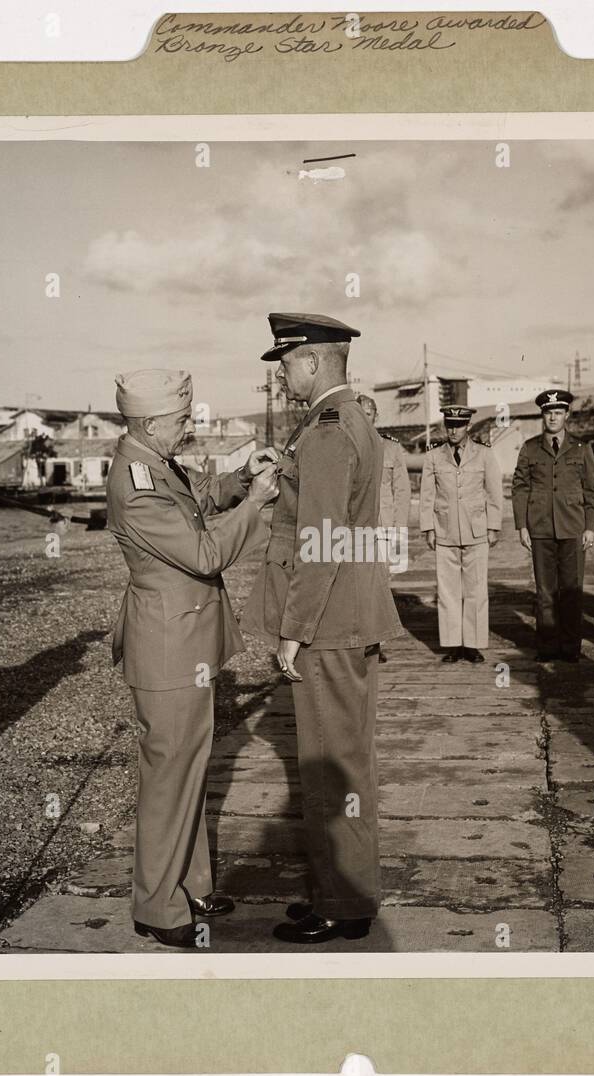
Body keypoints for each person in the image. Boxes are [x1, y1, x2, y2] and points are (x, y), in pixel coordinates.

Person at [106, 368, 280, 949]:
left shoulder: (154, 462)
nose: (188, 427)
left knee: (189, 766)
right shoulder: (135, 481)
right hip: (168, 650)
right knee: (169, 774)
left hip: (184, 643)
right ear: (153, 422)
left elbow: (198, 498)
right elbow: (205, 552)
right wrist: (257, 501)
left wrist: (238, 478)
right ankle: (156, 903)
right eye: (181, 420)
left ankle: (191, 884)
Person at [242, 313, 401, 945]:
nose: (281, 378)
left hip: (328, 624)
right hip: (345, 616)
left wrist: (293, 629)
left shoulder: (330, 430)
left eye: (285, 366)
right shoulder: (335, 423)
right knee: (336, 762)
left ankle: (346, 902)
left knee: (333, 766)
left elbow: (322, 542)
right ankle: (336, 891)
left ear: (312, 362)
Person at [511, 389, 594, 662]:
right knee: (545, 591)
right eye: (549, 412)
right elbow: (520, 488)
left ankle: (571, 646)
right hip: (540, 529)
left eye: (558, 412)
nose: (553, 417)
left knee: (571, 591)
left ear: (567, 415)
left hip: (573, 527)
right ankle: (548, 646)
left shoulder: (581, 449)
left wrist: (591, 526)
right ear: (543, 415)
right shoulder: (529, 448)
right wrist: (522, 526)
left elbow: (592, 490)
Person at [418, 405, 503, 663]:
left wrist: (493, 526)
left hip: (476, 531)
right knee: (448, 592)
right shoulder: (434, 457)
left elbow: (494, 492)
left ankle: (473, 644)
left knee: (476, 590)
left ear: (468, 427)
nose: (453, 430)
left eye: (459, 425)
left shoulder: (484, 455)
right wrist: (428, 528)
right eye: (449, 425)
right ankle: (454, 644)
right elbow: (427, 495)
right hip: (445, 532)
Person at [357, 393, 409, 663]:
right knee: (355, 585)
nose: (365, 418)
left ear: (376, 416)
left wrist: (399, 531)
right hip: (354, 531)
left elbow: (401, 492)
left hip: (384, 529)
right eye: (360, 413)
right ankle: (359, 640)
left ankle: (377, 643)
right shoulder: (346, 447)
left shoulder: (391, 449)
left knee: (381, 586)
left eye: (369, 413)